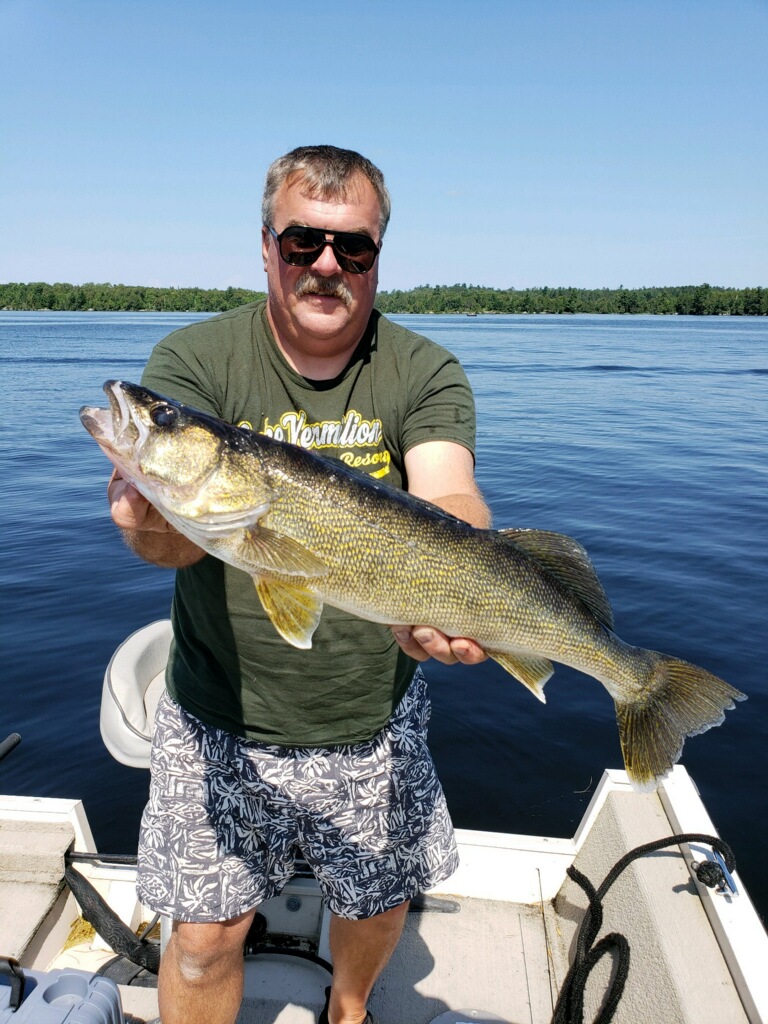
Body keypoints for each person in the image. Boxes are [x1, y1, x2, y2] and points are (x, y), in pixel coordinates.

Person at [108, 145, 491, 1024]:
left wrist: (465, 594)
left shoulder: (422, 367)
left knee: (375, 902)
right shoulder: (198, 359)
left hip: (373, 714)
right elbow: (175, 549)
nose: (326, 264)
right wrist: (147, 522)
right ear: (267, 245)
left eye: (351, 248)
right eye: (303, 241)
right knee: (201, 941)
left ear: (377, 256)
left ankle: (348, 1010)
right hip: (219, 719)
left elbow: (450, 492)